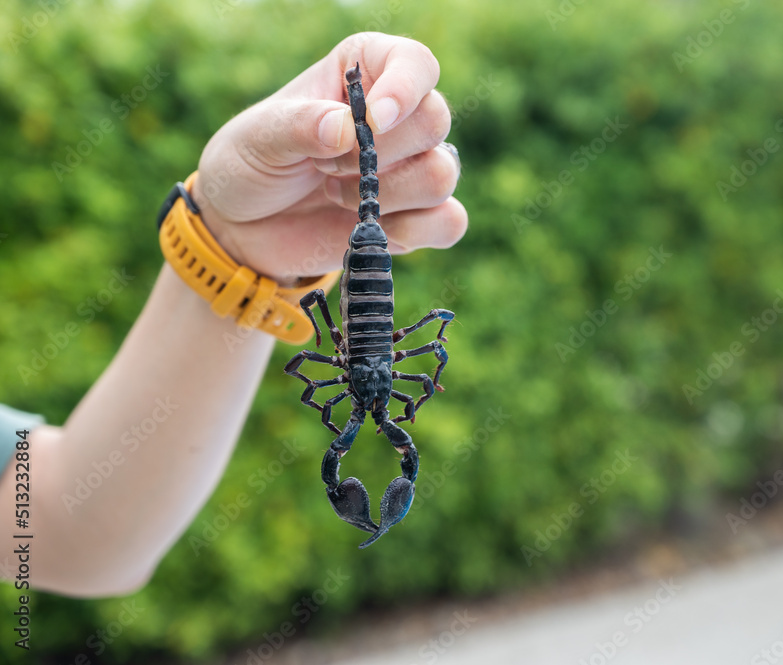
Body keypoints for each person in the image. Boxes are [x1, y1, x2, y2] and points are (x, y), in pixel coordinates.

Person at [0, 32, 466, 598]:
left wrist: (236, 244)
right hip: (374, 293)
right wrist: (411, 396)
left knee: (375, 328)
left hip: (358, 290)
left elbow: (69, 535)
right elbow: (423, 356)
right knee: (424, 342)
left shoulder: (345, 394)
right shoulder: (392, 393)